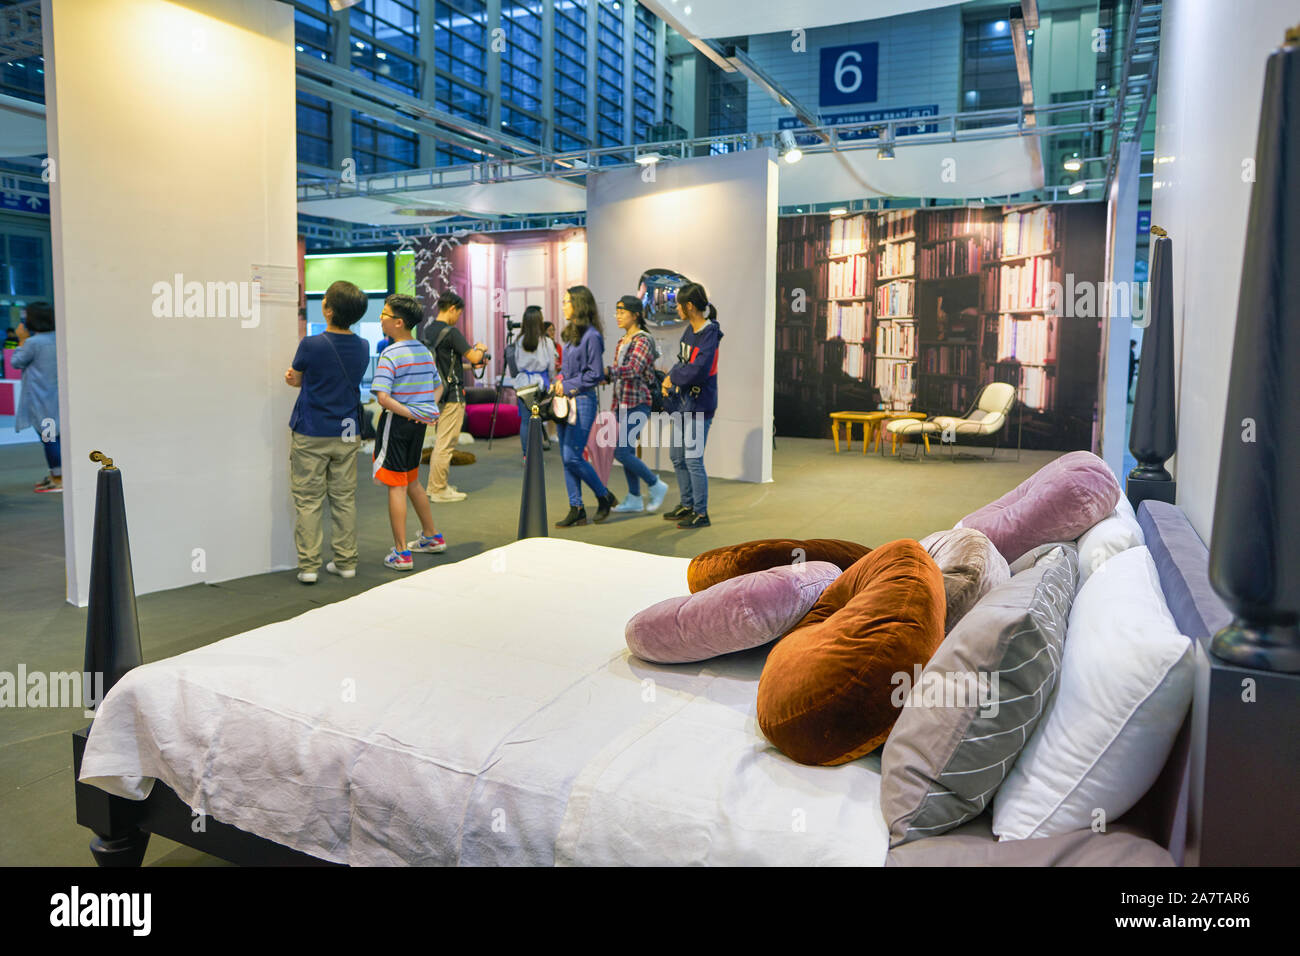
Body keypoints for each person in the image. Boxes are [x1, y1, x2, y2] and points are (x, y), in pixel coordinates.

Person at [284, 280, 370, 584]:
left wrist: (293, 378)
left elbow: (296, 378)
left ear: (328, 309)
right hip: (348, 430)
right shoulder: (363, 346)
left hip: (312, 429)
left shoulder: (311, 344)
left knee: (308, 499)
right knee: (344, 498)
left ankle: (309, 566)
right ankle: (346, 562)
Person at [372, 294, 447, 571]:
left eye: (385, 314)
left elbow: (382, 397)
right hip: (417, 427)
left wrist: (411, 411)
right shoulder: (424, 351)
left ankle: (401, 552)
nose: (381, 318)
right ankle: (431, 536)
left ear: (399, 322)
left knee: (397, 485)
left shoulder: (390, 353)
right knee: (412, 480)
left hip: (398, 424)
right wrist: (425, 410)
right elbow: (438, 388)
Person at [553, 285, 618, 527]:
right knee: (567, 457)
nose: (563, 305)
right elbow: (568, 369)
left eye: (567, 301)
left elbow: (595, 374)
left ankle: (603, 495)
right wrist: (560, 379)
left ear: (579, 304)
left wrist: (568, 383)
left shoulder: (592, 336)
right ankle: (576, 507)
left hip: (582, 401)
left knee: (572, 457)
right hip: (565, 402)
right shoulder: (571, 333)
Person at [661, 282, 722, 529]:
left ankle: (700, 512)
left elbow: (699, 370)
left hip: (699, 406)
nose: (675, 308)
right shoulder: (690, 331)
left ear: (689, 306)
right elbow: (683, 361)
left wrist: (672, 377)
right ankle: (687, 504)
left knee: (693, 459)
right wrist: (670, 377)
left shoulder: (710, 334)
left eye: (678, 304)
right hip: (683, 404)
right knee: (677, 456)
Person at [418, 290, 486, 503]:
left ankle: (435, 485)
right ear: (452, 309)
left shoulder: (428, 331)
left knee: (441, 439)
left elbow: (445, 362)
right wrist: (480, 349)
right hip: (453, 394)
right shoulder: (451, 332)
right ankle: (438, 489)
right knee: (446, 443)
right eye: (459, 313)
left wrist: (466, 364)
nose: (458, 318)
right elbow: (474, 356)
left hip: (436, 391)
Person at [607, 295, 670, 513]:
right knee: (628, 452)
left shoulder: (642, 340)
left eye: (622, 312)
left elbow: (634, 369)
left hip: (638, 403)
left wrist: (608, 371)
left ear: (635, 315)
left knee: (622, 452)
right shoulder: (622, 341)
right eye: (617, 311)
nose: (618, 316)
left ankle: (655, 484)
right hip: (621, 404)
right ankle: (634, 497)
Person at [11, 302, 61, 493]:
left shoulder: (33, 343)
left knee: (49, 439)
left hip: (42, 403)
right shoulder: (59, 338)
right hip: (56, 400)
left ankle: (58, 478)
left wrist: (22, 340)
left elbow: (16, 362)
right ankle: (56, 475)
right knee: (56, 438)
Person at [510, 305, 556, 458]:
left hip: (523, 384)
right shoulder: (546, 341)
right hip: (540, 384)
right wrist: (551, 379)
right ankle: (536, 455)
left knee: (525, 421)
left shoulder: (519, 341)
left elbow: (516, 364)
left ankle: (526, 455)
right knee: (538, 420)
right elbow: (551, 366)